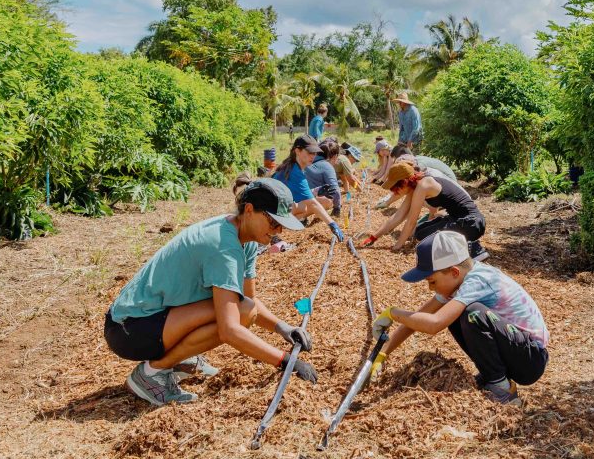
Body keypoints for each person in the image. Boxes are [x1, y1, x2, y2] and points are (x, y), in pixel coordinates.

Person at [103, 177, 319, 406]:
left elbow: (250, 300)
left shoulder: (245, 238)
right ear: (249, 210)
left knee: (243, 307)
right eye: (273, 222)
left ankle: (179, 359)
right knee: (240, 313)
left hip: (152, 319)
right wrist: (285, 361)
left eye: (281, 224)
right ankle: (152, 373)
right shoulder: (223, 246)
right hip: (129, 329)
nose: (278, 230)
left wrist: (282, 328)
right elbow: (230, 330)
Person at [371, 230, 549, 405]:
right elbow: (421, 317)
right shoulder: (459, 281)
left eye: (432, 281)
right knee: (456, 315)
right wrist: (383, 353)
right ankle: (493, 376)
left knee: (473, 314)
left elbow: (434, 324)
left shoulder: (478, 281)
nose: (430, 289)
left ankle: (502, 390)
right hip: (516, 350)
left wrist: (393, 313)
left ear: (454, 272)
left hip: (530, 359)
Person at [357, 160, 486, 259]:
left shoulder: (424, 185)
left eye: (397, 187)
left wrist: (397, 246)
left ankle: (472, 247)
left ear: (405, 182)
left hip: (471, 222)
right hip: (459, 219)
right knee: (420, 232)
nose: (397, 192)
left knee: (424, 235)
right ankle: (464, 242)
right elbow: (398, 216)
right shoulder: (415, 188)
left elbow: (411, 221)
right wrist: (374, 237)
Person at [277, 135, 345, 234]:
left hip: (279, 207)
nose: (312, 156)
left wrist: (316, 191)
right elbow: (312, 203)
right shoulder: (295, 171)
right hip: (275, 212)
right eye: (309, 152)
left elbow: (298, 193)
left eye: (314, 153)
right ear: (297, 151)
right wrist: (332, 223)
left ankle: (292, 222)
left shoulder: (293, 166)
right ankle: (284, 224)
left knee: (303, 205)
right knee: (307, 205)